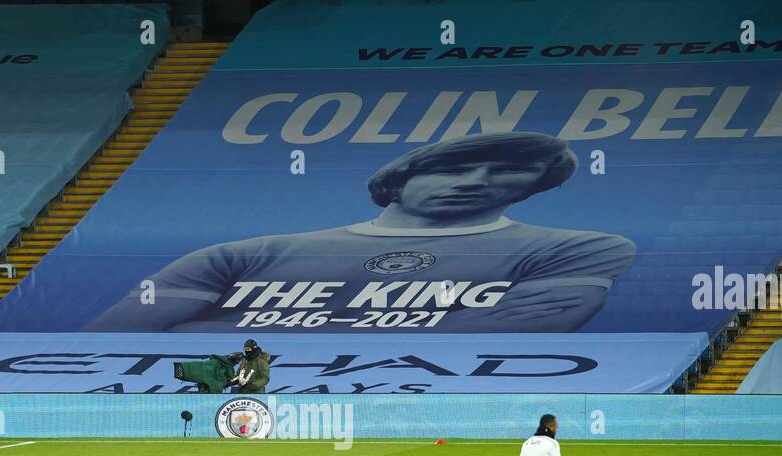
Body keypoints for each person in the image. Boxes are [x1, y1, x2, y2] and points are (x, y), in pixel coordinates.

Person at [81, 132, 636, 333]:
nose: (476, 181)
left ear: (531, 188)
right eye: (451, 167)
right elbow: (114, 341)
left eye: (509, 171)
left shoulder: (580, 248)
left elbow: (501, 336)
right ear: (399, 179)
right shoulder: (245, 254)